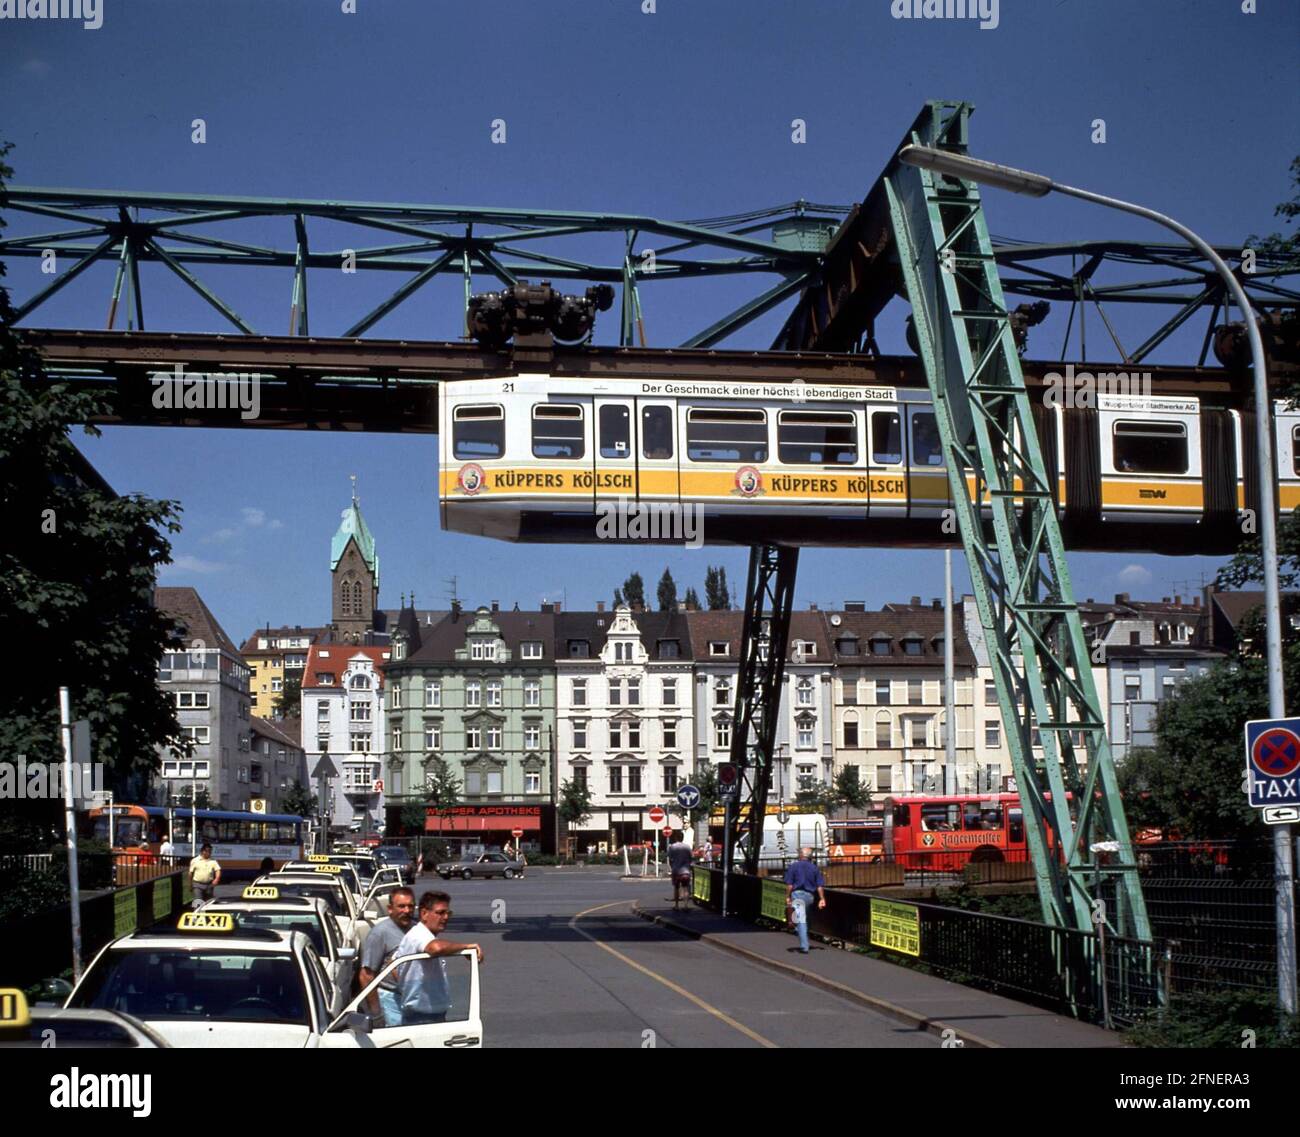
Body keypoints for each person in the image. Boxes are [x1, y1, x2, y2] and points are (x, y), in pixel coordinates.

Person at [396, 891, 483, 1025]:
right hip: (421, 1017)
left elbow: (394, 965)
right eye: (440, 913)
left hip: (428, 1014)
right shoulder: (419, 935)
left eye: (448, 913)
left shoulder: (422, 935)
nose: (446, 917)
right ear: (424, 914)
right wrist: (466, 947)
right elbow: (436, 948)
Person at [359, 886, 416, 1026]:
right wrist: (376, 1013)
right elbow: (366, 975)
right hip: (390, 1001)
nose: (406, 911)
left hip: (414, 1000)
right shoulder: (380, 933)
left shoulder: (417, 930)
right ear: (390, 909)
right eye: (401, 906)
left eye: (410, 906)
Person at [783, 846, 827, 955]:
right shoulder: (814, 868)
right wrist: (822, 898)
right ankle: (800, 930)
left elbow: (789, 884)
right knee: (806, 919)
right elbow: (819, 885)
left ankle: (804, 945)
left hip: (797, 894)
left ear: (801, 855)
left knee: (801, 920)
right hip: (810, 896)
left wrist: (787, 896)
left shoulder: (794, 866)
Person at [667, 831, 693, 910]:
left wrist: (672, 867)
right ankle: (685, 905)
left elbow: (670, 858)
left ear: (676, 838)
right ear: (682, 838)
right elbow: (690, 858)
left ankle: (676, 905)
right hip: (685, 871)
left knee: (676, 887)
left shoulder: (672, 847)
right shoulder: (687, 847)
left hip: (676, 870)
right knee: (685, 888)